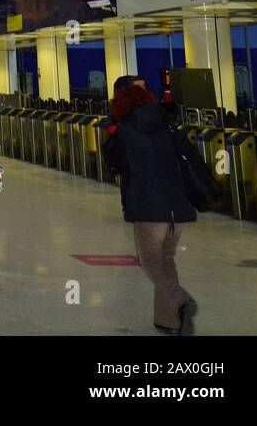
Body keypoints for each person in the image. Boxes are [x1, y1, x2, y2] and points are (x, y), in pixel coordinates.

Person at [108, 75, 198, 335]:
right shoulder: (169, 126)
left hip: (150, 206)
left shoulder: (124, 129)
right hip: (179, 206)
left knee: (149, 260)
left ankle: (180, 300)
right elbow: (189, 157)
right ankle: (168, 319)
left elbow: (115, 164)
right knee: (166, 259)